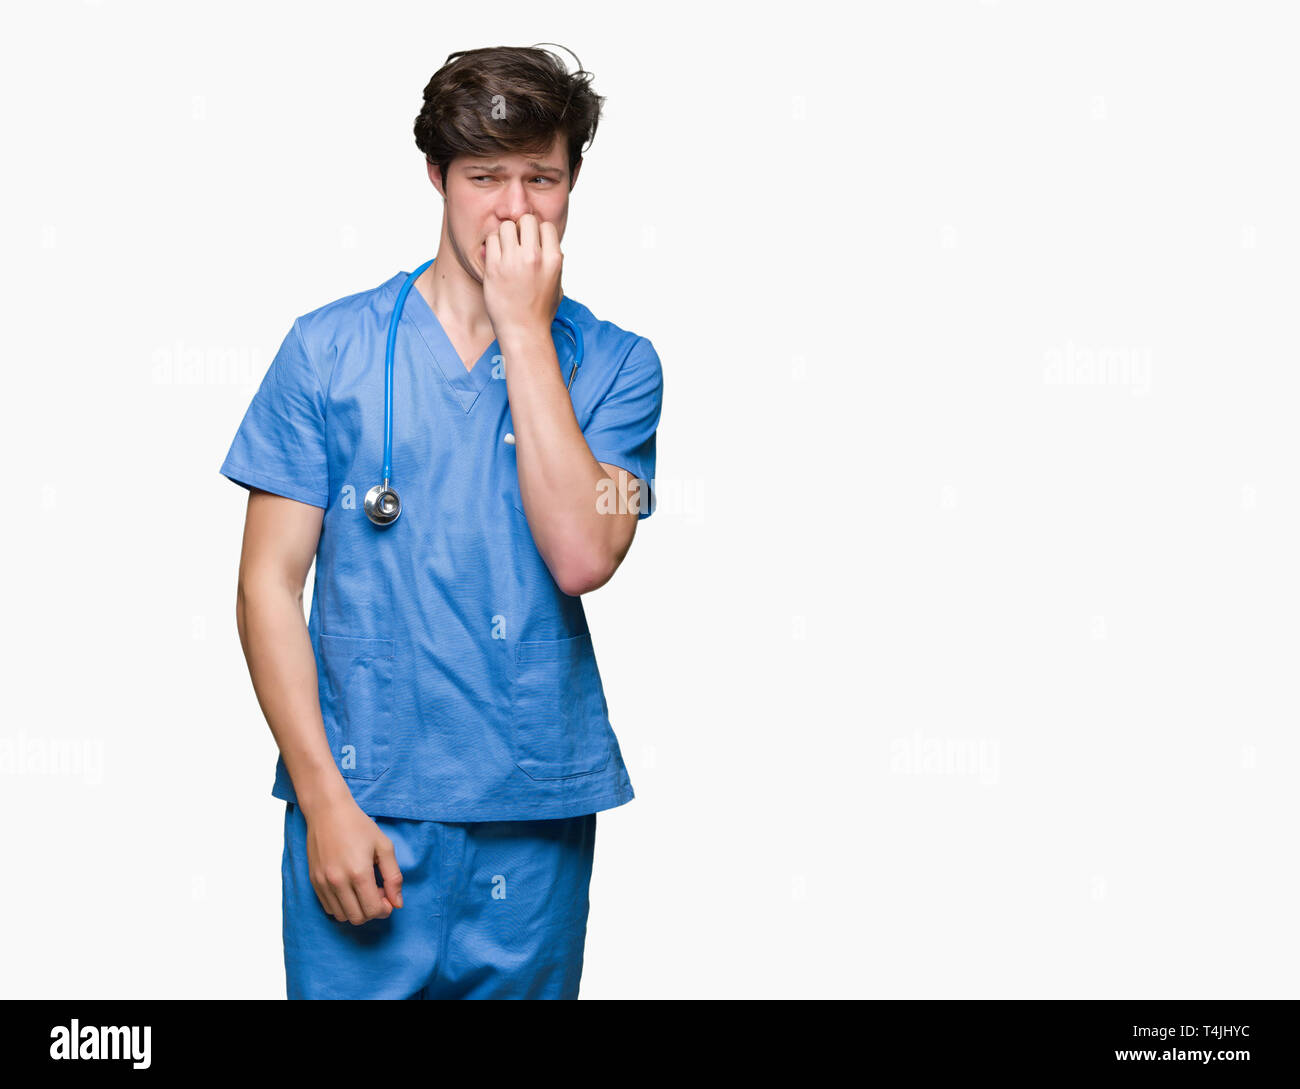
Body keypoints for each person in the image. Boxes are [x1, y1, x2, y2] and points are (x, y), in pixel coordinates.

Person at [219, 44, 662, 999]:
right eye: (484, 178)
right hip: (361, 812)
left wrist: (524, 329)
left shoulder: (623, 367)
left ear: (575, 179)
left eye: (540, 178)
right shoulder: (325, 351)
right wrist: (325, 801)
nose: (513, 209)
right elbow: (265, 586)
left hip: (532, 814)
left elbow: (587, 551)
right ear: (435, 176)